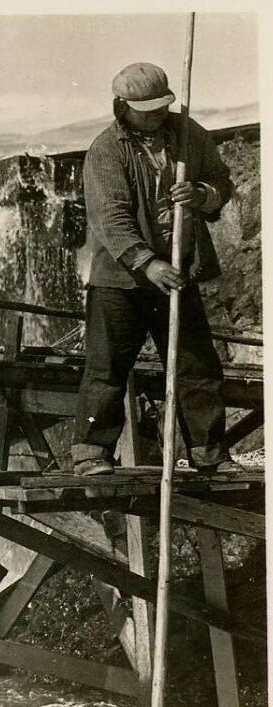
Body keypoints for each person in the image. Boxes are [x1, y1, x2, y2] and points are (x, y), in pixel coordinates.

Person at [72, 62, 239, 476]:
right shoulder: (106, 150)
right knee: (107, 368)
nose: (156, 115)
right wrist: (147, 263)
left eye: (161, 106)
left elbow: (222, 181)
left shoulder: (188, 133)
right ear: (121, 107)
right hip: (120, 279)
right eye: (145, 109)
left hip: (179, 274)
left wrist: (202, 194)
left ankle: (209, 453)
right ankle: (91, 455)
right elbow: (110, 217)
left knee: (196, 366)